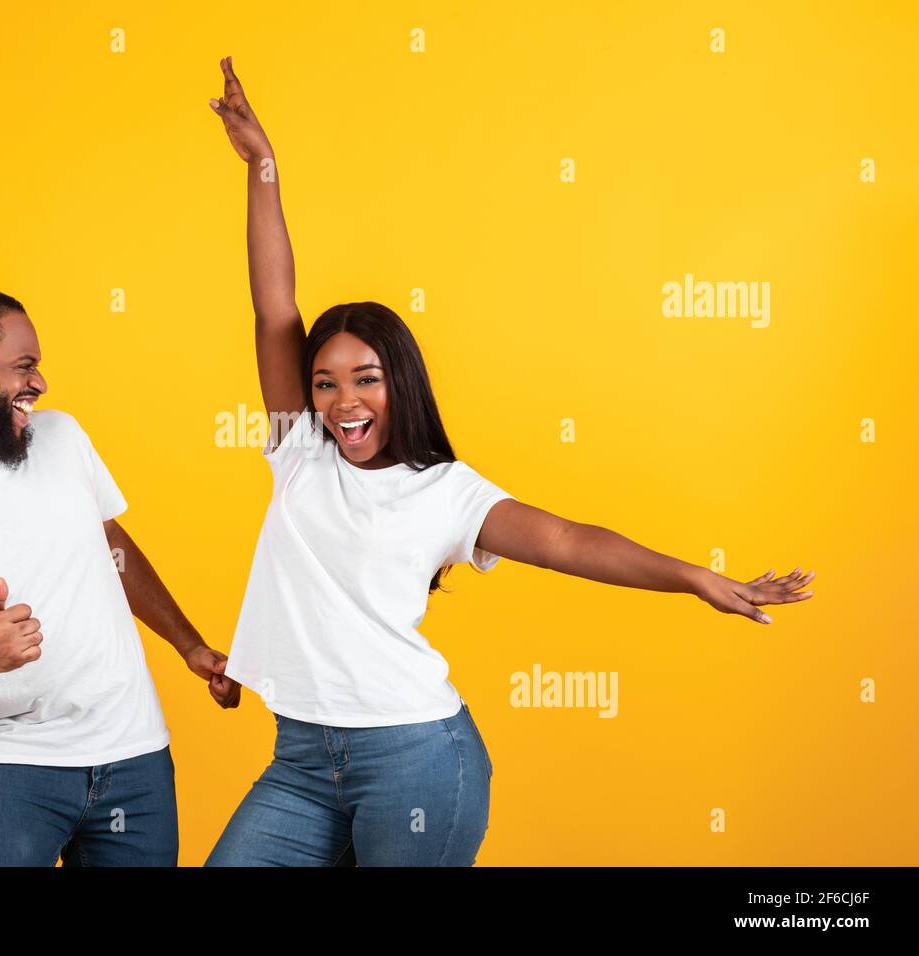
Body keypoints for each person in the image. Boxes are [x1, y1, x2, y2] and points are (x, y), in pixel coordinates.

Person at [203, 56, 815, 866]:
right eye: (324, 382)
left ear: (400, 382)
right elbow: (275, 305)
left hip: (415, 761)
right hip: (300, 763)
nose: (343, 400)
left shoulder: (446, 493)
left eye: (366, 379)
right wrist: (263, 168)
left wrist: (695, 576)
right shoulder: (298, 451)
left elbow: (565, 541)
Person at [0, 282, 239, 867]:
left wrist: (189, 645)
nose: (40, 383)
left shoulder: (62, 438)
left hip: (136, 758)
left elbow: (111, 544)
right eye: (23, 367)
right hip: (9, 770)